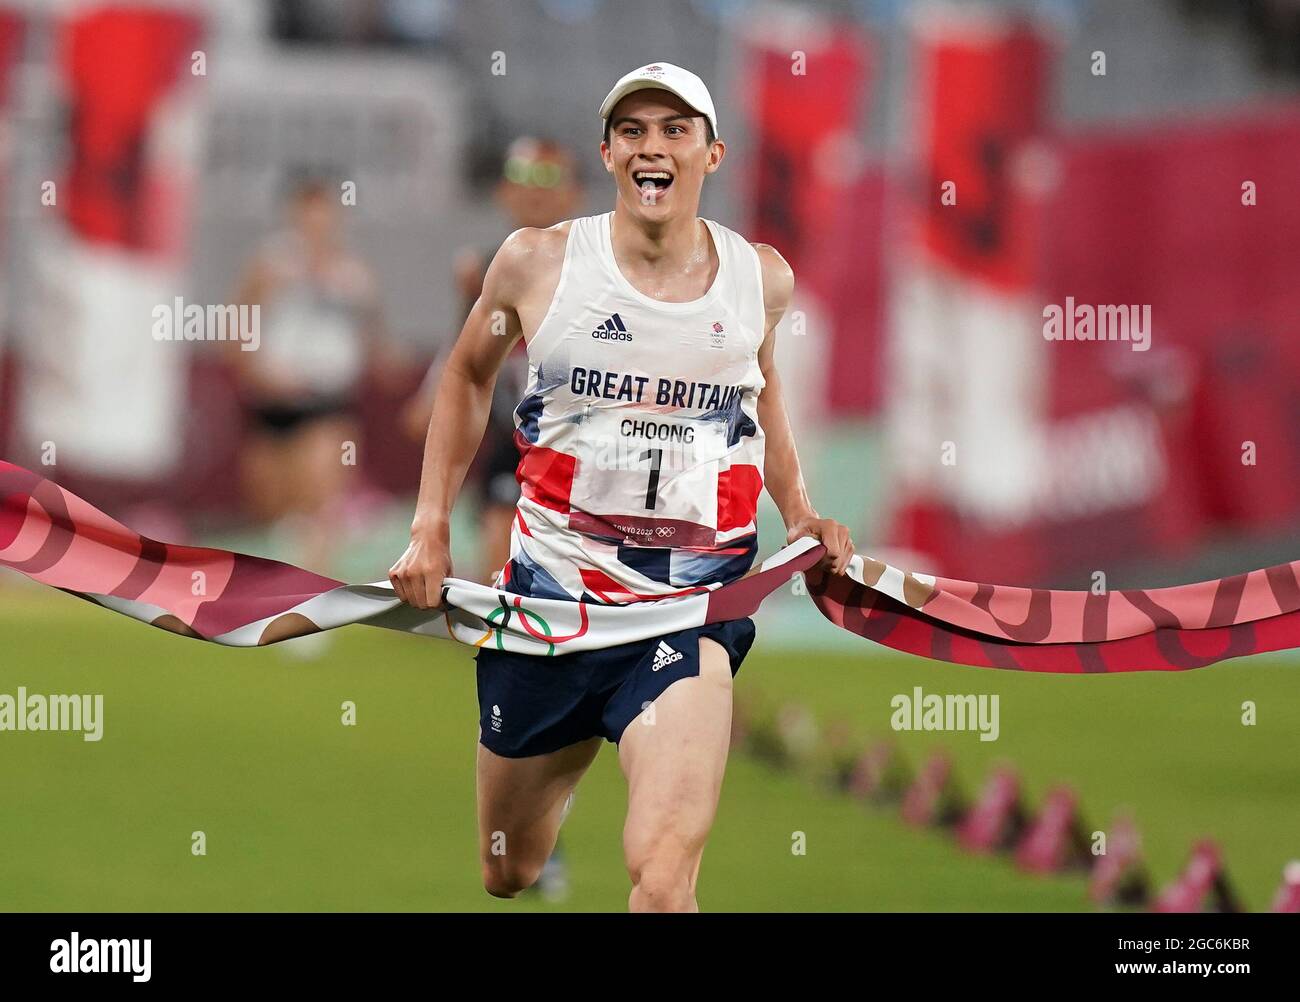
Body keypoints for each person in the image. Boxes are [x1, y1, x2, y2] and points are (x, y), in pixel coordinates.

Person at [388, 62, 854, 912]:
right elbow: (463, 378)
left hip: (687, 611)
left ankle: (649, 773)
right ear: (608, 153)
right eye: (635, 131)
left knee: (663, 875)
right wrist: (429, 528)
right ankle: (571, 761)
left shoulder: (762, 280)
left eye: (676, 131)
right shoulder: (537, 264)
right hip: (548, 609)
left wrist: (801, 513)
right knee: (509, 868)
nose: (654, 147)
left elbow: (762, 388)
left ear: (713, 155)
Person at [401, 138, 583, 586]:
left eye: (548, 178)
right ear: (504, 191)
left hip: (588, 444)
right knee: (499, 567)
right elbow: (464, 353)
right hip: (517, 443)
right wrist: (431, 395)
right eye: (524, 178)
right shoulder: (482, 271)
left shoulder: (598, 267)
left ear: (572, 192)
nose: (535, 191)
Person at [231, 172, 393, 576]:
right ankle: (281, 593)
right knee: (276, 511)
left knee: (322, 504)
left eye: (325, 211)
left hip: (327, 403)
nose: (317, 220)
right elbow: (236, 331)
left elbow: (375, 342)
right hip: (273, 403)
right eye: (308, 210)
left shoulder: (354, 276)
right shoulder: (271, 266)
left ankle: (315, 603)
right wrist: (258, 371)